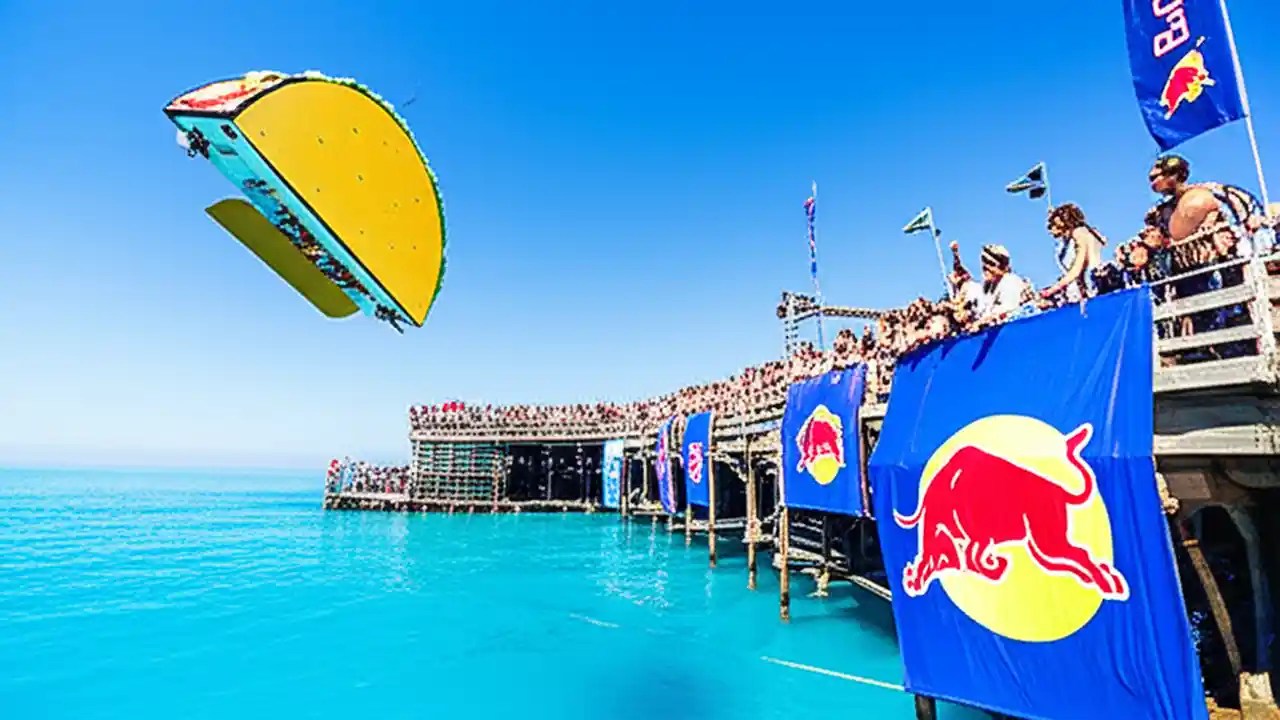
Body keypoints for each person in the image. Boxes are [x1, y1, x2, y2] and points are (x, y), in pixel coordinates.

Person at [1148, 154, 1264, 243]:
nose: (1153, 183)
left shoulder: (1215, 192)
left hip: (1246, 244)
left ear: (1172, 175)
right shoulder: (1161, 210)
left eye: (1156, 177)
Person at [1040, 203, 1105, 302]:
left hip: (1092, 287)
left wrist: (1052, 290)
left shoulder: (1079, 233)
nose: (1050, 230)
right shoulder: (1084, 232)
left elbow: (1077, 269)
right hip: (1091, 286)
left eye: (1052, 225)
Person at [978, 244, 1029, 320]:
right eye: (984, 261)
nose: (986, 267)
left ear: (1002, 267)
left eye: (991, 263)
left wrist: (986, 320)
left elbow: (1009, 311)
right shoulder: (988, 287)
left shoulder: (1010, 281)